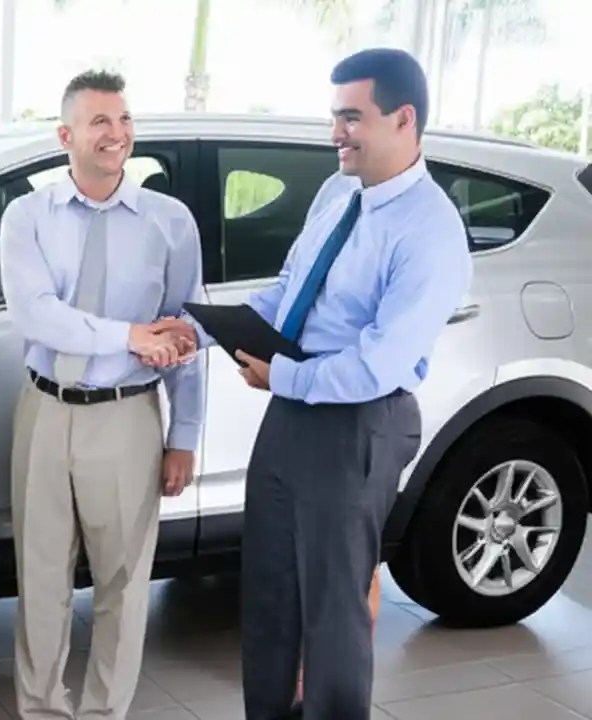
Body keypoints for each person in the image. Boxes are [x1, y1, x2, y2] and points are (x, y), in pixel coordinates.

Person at [167, 48, 472, 719]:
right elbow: (292, 288)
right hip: (294, 412)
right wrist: (218, 329)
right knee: (270, 591)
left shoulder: (431, 232)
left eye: (350, 117)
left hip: (359, 422)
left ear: (404, 119)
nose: (335, 132)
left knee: (334, 610)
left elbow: (379, 363)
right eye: (333, 116)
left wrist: (286, 374)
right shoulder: (339, 192)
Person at [0, 69, 204, 720]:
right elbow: (37, 315)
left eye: (124, 120)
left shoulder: (169, 222)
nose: (118, 134)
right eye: (100, 122)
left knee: (122, 585)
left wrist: (184, 436)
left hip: (127, 420)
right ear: (66, 135)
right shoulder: (27, 217)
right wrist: (131, 335)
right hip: (45, 410)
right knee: (41, 579)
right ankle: (42, 711)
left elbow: (186, 332)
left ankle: (103, 714)